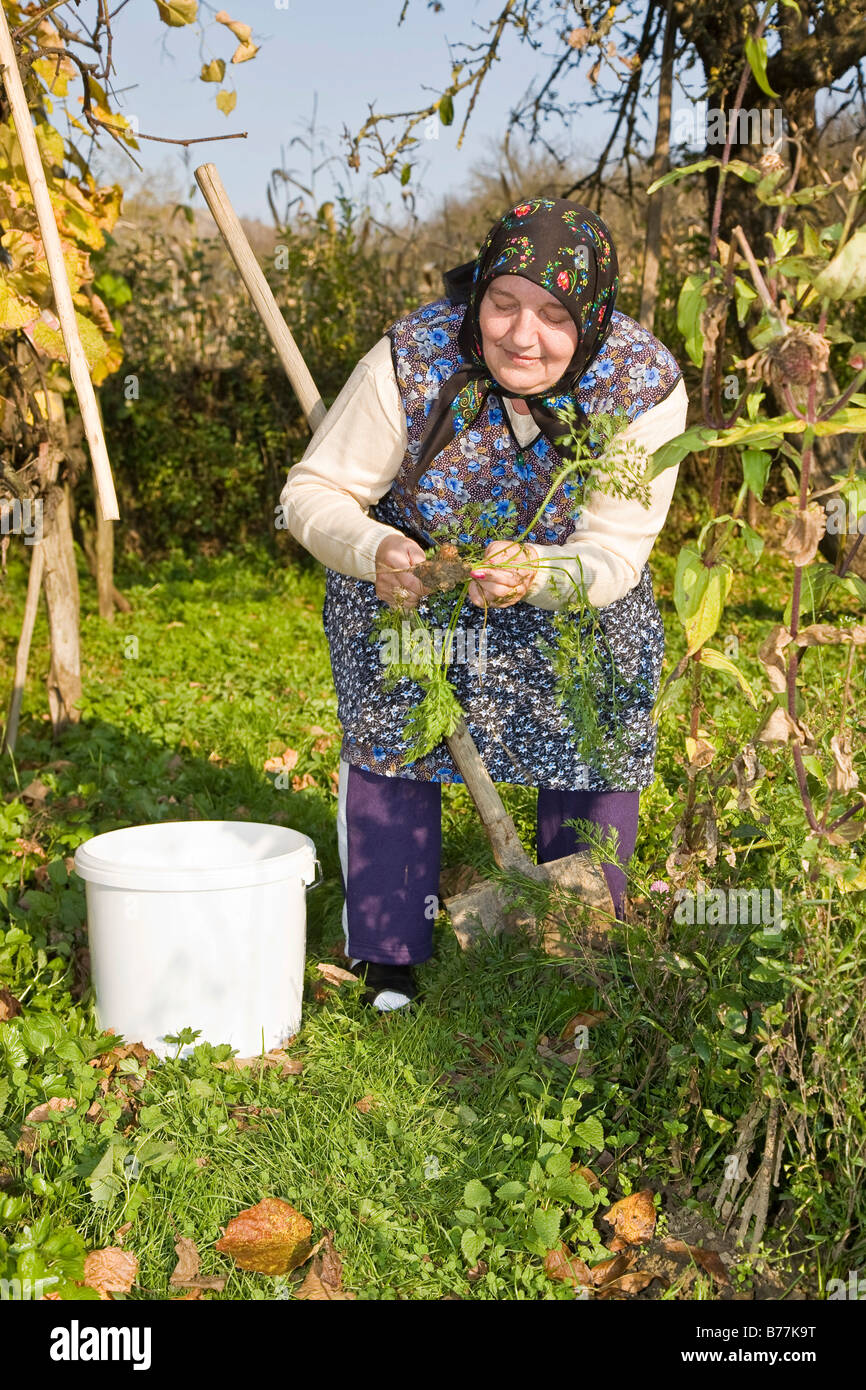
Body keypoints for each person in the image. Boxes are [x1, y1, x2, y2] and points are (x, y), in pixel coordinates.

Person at [280, 197, 688, 1011]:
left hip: (565, 584)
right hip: (414, 583)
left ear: (592, 318)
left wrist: (540, 571)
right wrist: (375, 549)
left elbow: (614, 552)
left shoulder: (641, 382)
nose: (521, 335)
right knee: (397, 726)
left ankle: (579, 937)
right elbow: (312, 493)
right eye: (502, 303)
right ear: (478, 296)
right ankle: (390, 955)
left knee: (601, 704)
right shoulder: (413, 357)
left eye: (554, 316)